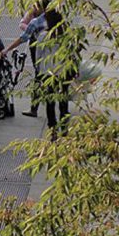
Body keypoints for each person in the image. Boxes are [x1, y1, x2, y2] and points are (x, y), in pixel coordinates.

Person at [3, 0, 49, 117]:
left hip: (40, 52)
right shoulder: (57, 18)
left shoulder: (36, 21)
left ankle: (34, 108)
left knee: (39, 77)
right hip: (54, 54)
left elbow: (23, 38)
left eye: (35, 7)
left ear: (40, 8)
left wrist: (7, 49)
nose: (33, 9)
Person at [37, 9, 74, 140]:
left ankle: (52, 128)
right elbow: (72, 53)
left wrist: (39, 72)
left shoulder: (43, 36)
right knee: (63, 99)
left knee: (50, 100)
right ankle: (64, 127)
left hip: (49, 71)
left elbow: (39, 55)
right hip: (63, 70)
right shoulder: (66, 35)